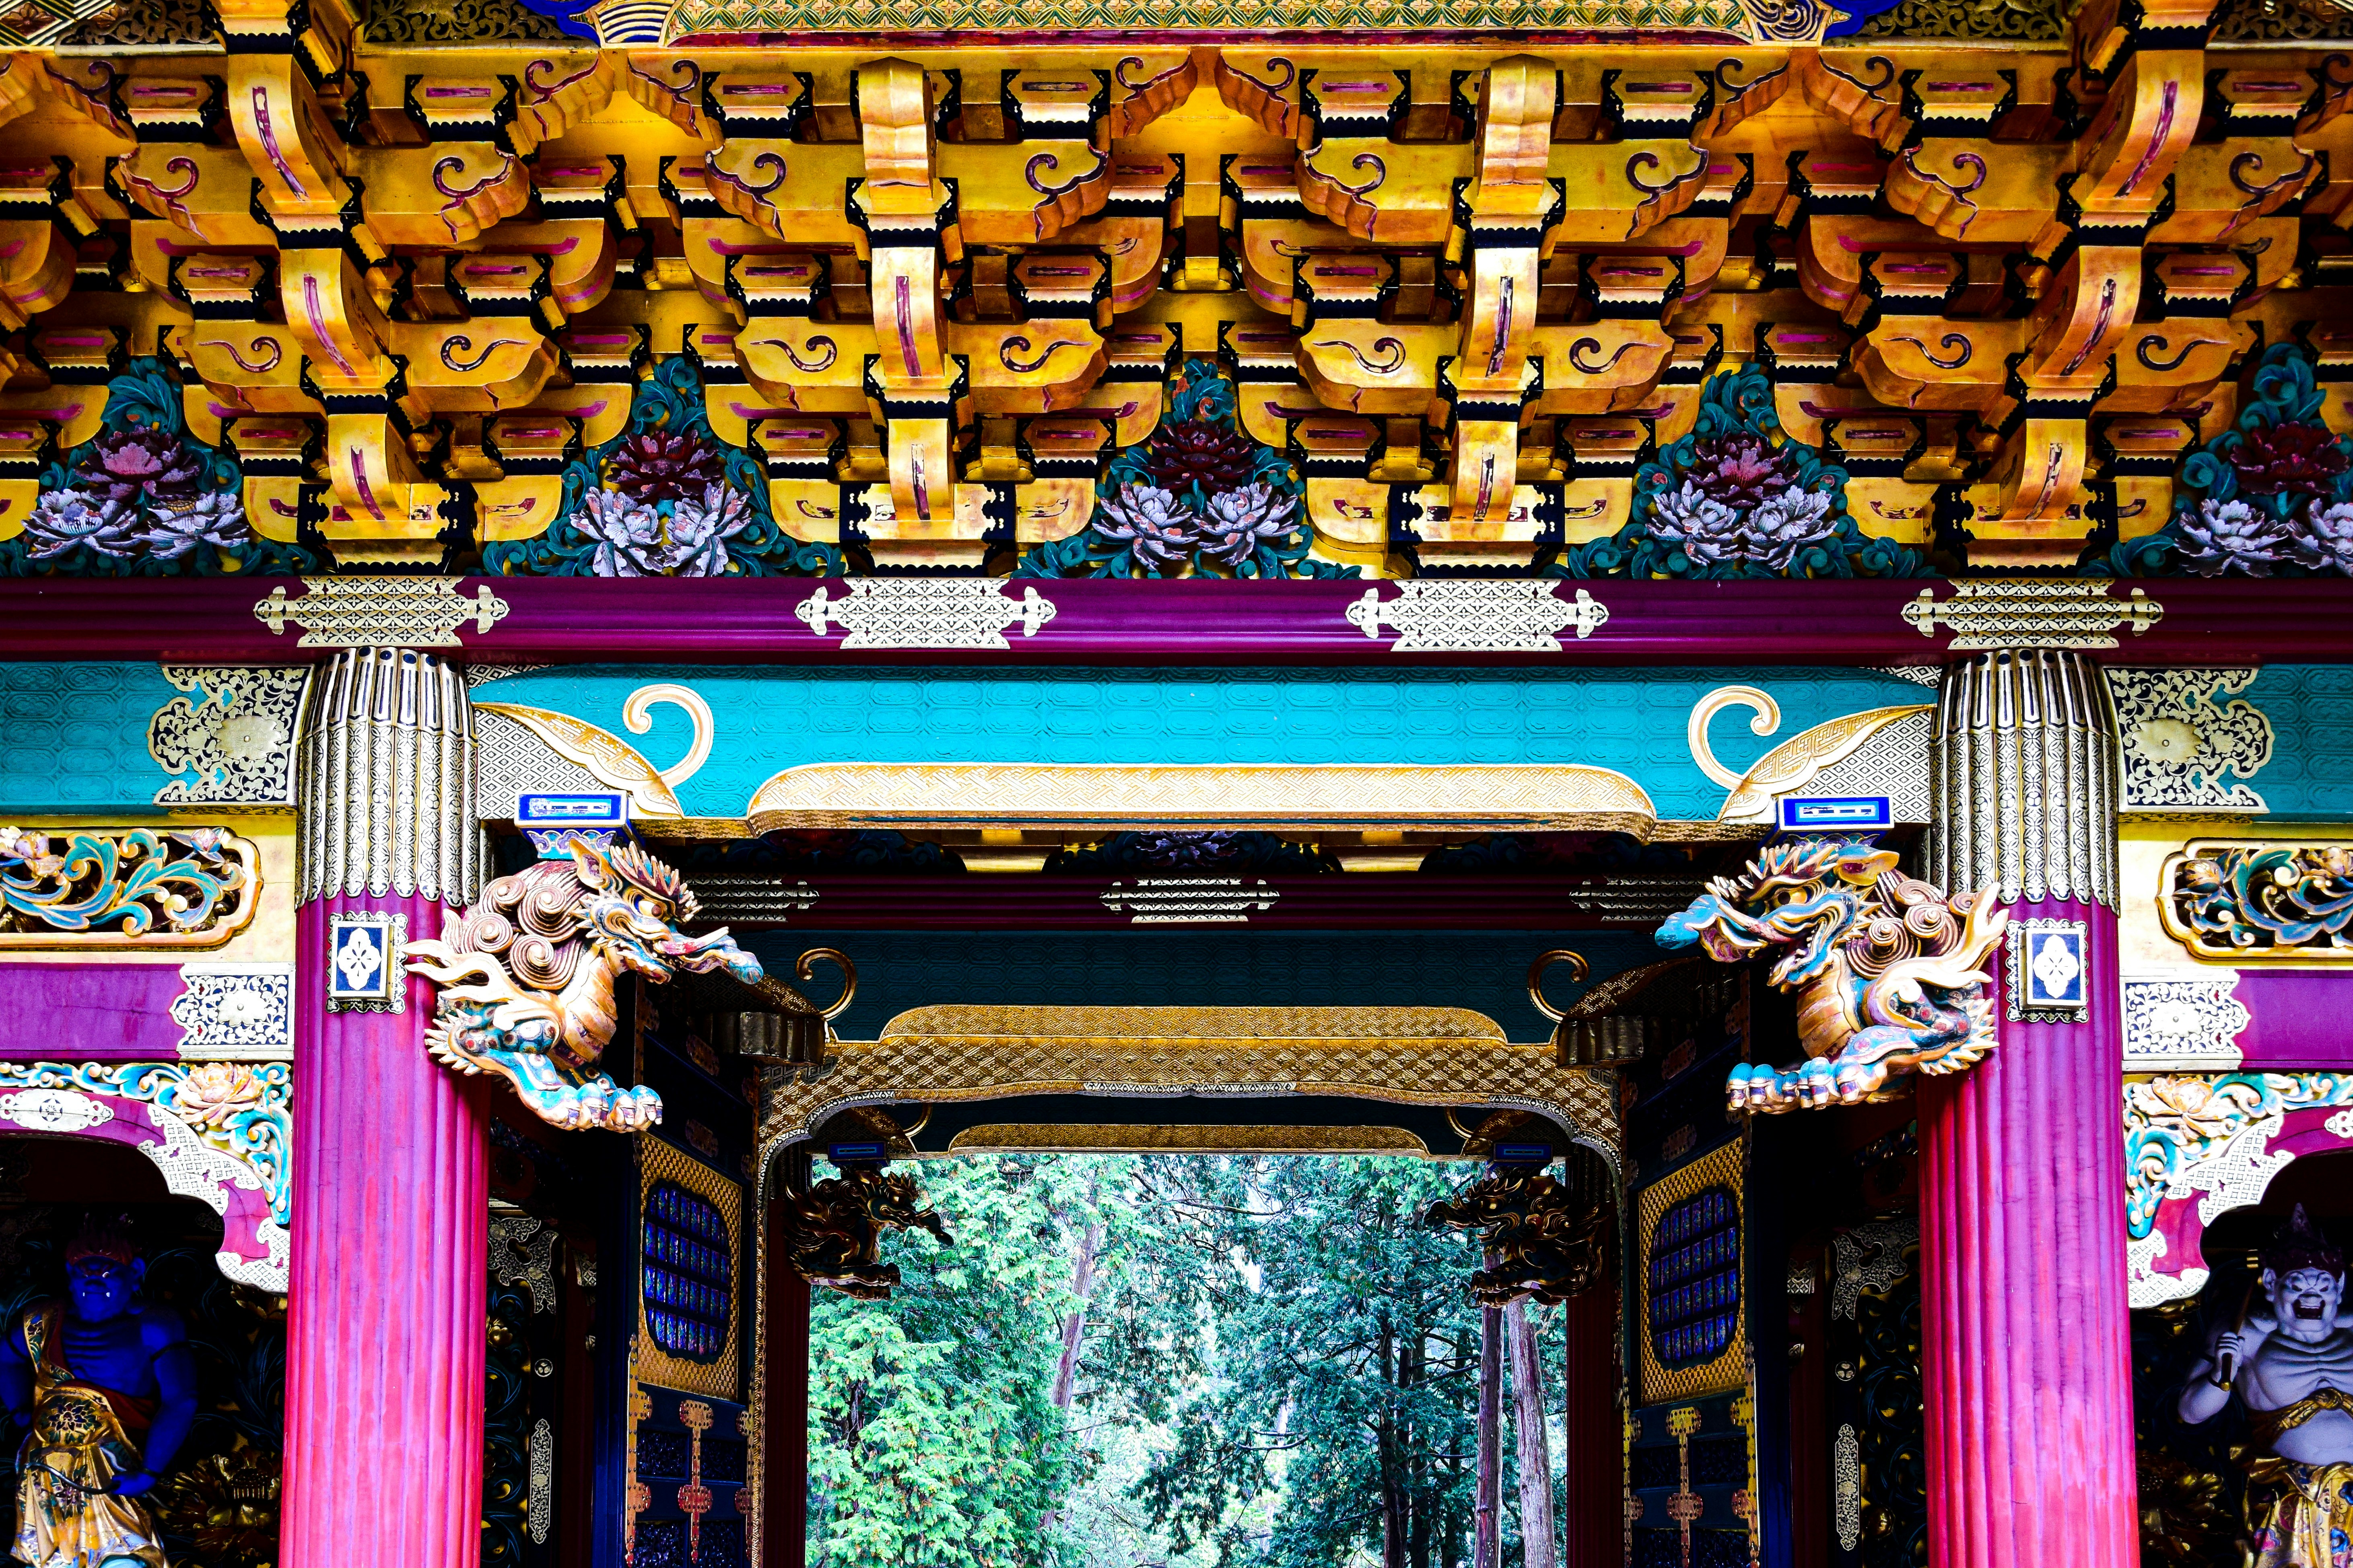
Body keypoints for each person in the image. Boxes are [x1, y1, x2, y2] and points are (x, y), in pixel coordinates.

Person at [0, 1218, 196, 1568]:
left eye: (106, 1273)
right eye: (83, 1273)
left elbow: (181, 1399)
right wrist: (20, 1412)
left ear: (134, 1272)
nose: (93, 1281)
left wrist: (150, 1472)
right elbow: (7, 1359)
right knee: (49, 1556)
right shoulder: (43, 1319)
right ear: (69, 1274)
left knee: (123, 1554)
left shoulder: (153, 1324)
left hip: (115, 1458)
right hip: (45, 1463)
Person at [2180, 1204, 2353, 1568]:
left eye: (2323, 1285)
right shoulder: (2249, 1333)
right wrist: (2222, 1374)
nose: (2311, 1296)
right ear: (2272, 1285)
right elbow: (2190, 1412)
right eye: (2297, 1285)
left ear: (2339, 1287)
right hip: (2294, 1493)